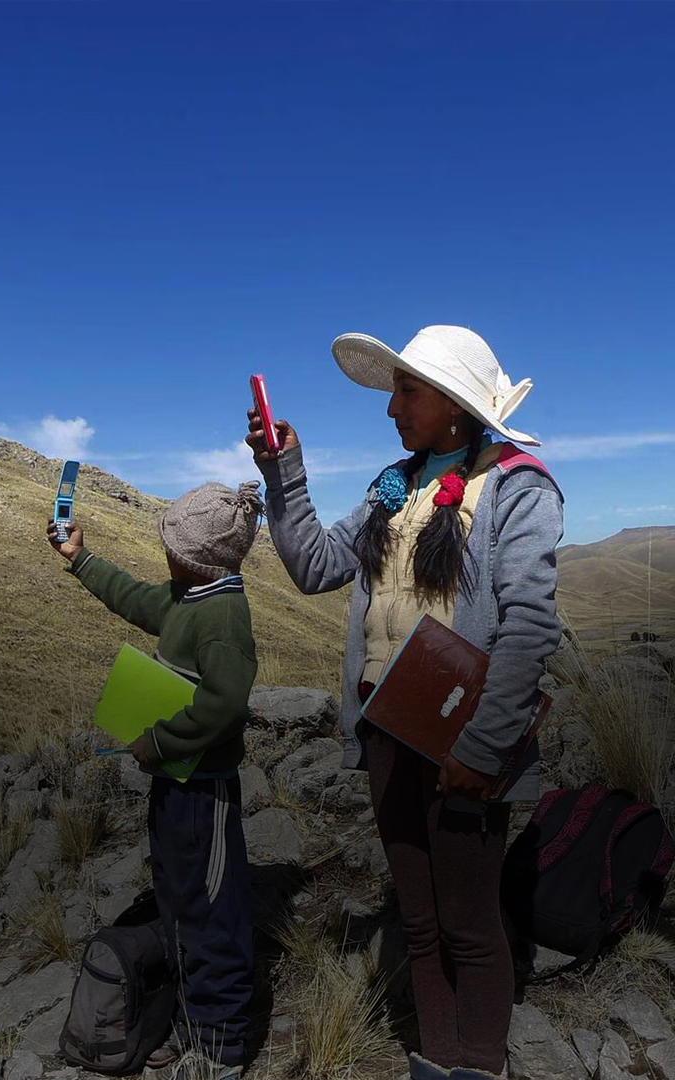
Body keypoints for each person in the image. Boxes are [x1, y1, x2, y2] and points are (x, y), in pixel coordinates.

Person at [246, 325, 563, 1080]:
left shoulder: (519, 486)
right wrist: (282, 471)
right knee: (420, 921)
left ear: (454, 405)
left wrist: (483, 748)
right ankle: (437, 1062)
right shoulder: (393, 487)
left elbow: (529, 622)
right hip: (390, 728)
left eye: (406, 390)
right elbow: (318, 566)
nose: (391, 407)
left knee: (469, 922)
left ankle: (479, 1063)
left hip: (466, 737)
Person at [47, 480, 263, 1080]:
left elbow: (223, 705)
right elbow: (137, 600)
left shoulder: (221, 614)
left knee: (212, 911)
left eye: (171, 544)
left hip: (205, 791)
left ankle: (221, 1049)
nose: (163, 551)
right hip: (175, 785)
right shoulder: (192, 596)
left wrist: (159, 741)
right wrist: (81, 559)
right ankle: (192, 1022)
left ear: (194, 556)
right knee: (177, 898)